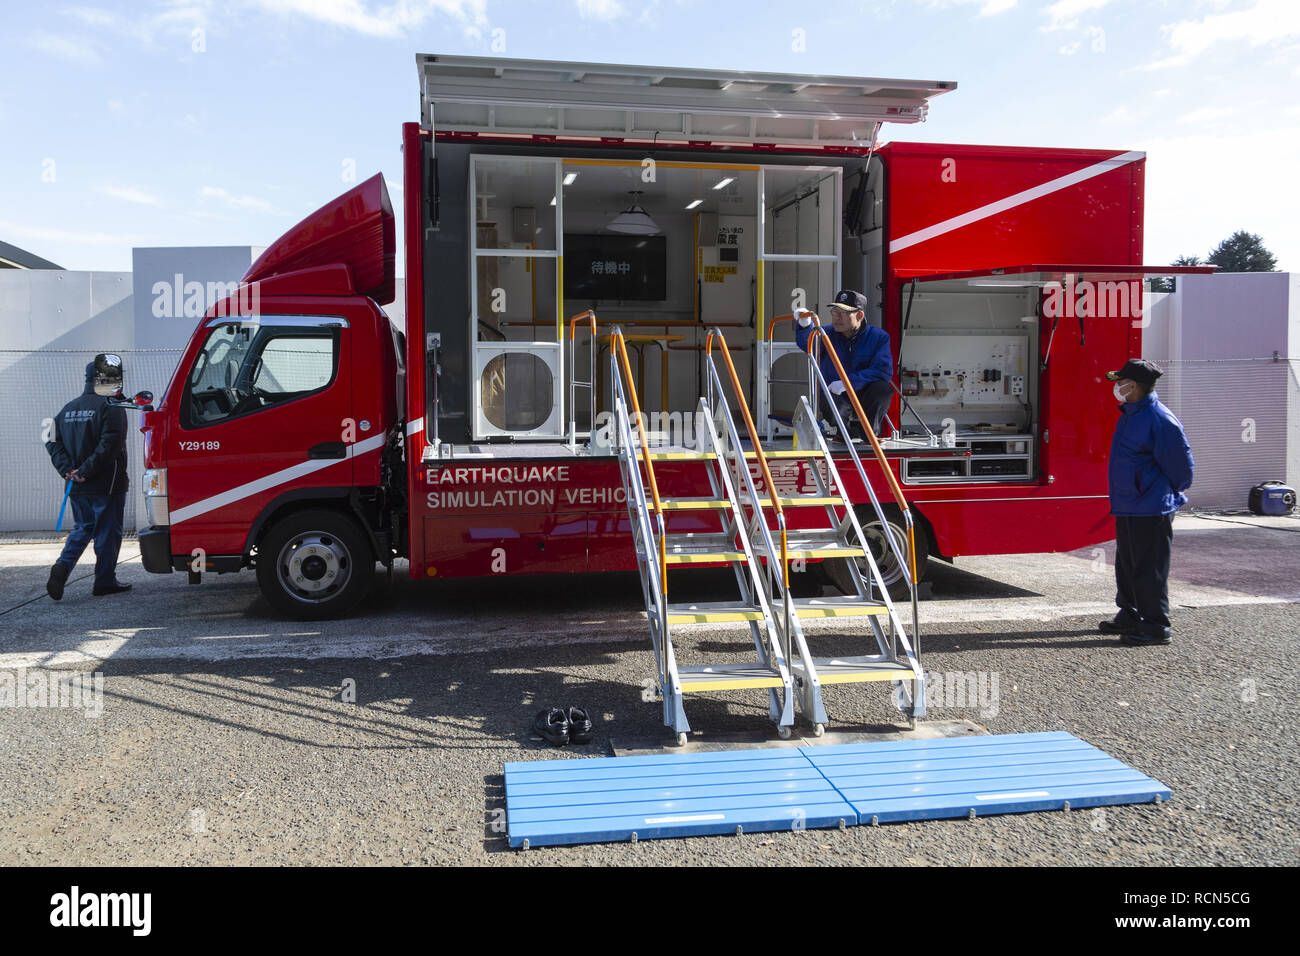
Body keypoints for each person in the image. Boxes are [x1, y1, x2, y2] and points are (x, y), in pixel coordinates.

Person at [1101, 358, 1193, 647]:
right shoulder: (1131, 413)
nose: (1117, 387)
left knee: (1149, 566)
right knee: (1127, 563)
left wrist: (1164, 494)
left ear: (1135, 386)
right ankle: (1130, 613)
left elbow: (1182, 467)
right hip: (1130, 503)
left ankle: (1155, 625)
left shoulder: (1159, 418)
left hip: (1151, 506)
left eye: (1121, 382)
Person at [44, 360, 132, 600]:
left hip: (75, 483)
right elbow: (110, 444)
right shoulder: (111, 406)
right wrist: (86, 469)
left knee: (83, 527)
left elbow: (51, 440)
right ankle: (104, 581)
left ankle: (63, 565)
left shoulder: (67, 409)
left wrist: (68, 470)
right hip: (106, 483)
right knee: (107, 531)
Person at [795, 289, 893, 440]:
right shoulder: (826, 333)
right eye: (835, 312)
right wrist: (804, 325)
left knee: (883, 389)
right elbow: (808, 344)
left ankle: (869, 434)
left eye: (844, 313)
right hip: (835, 394)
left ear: (860, 315)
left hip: (863, 392)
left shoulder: (878, 337)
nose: (837, 318)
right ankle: (844, 432)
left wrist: (848, 383)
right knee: (830, 403)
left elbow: (882, 371)